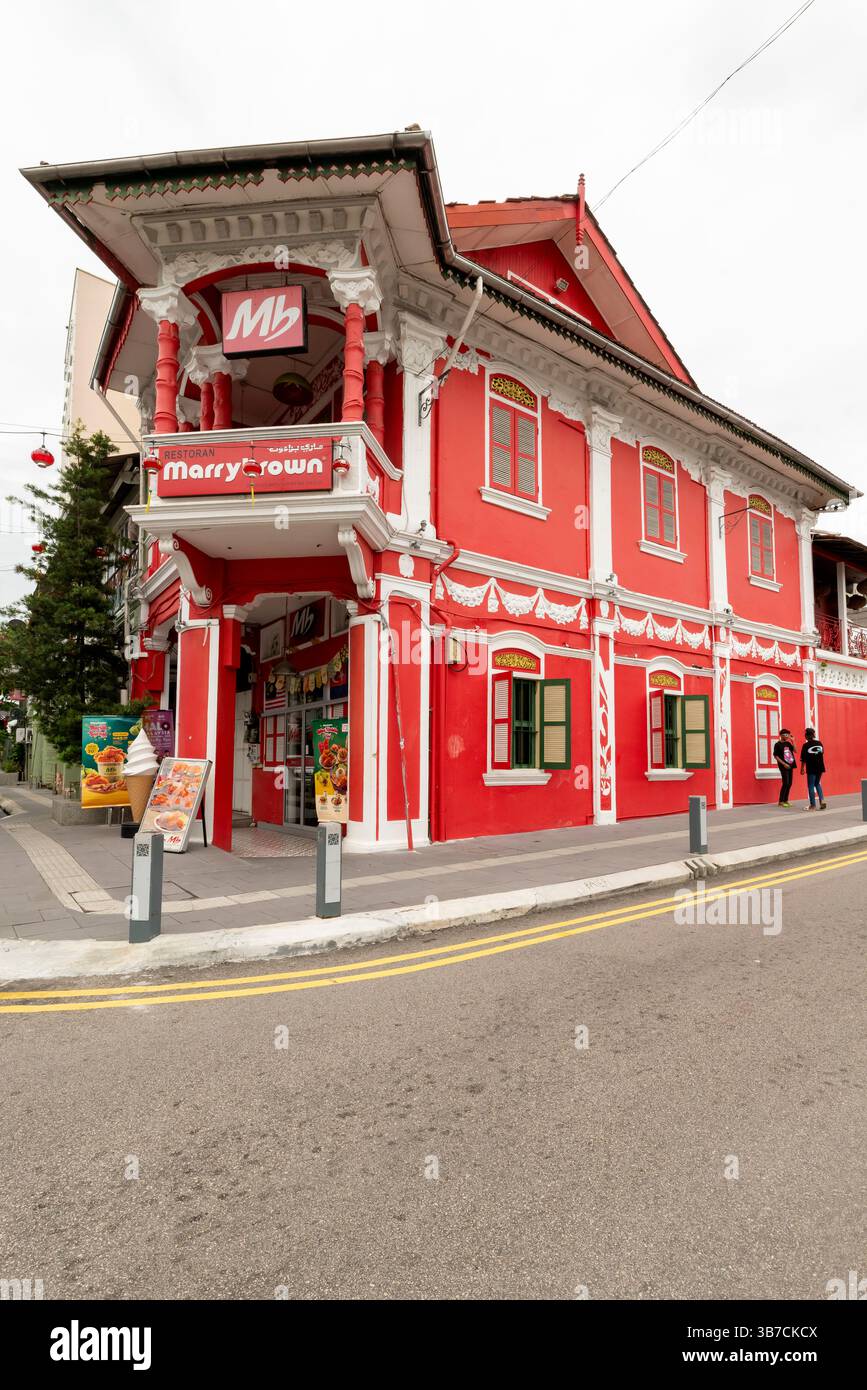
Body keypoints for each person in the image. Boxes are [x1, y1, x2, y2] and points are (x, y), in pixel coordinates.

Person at [800, 727, 827, 809]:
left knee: (811, 785)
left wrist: (802, 768)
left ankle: (813, 805)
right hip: (820, 767)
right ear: (813, 735)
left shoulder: (805, 745)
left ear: (807, 736)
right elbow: (822, 753)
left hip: (811, 767)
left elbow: (803, 759)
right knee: (817, 783)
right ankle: (822, 800)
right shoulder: (819, 743)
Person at [772, 728, 796, 807]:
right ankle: (781, 801)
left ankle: (786, 800)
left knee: (790, 783)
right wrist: (783, 764)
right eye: (785, 735)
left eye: (788, 735)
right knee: (785, 783)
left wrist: (793, 741)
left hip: (791, 765)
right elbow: (776, 756)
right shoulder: (777, 744)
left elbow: (795, 750)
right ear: (781, 735)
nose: (787, 736)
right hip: (783, 766)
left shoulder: (788, 743)